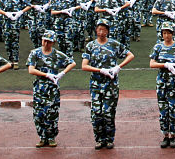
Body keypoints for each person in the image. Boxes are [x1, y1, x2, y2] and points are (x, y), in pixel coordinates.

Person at [80, 18, 134, 150]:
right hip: (96, 83)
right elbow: (84, 66)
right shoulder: (91, 46)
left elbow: (130, 55)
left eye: (104, 29)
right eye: (99, 29)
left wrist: (118, 67)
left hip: (111, 83)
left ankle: (109, 139)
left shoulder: (114, 44)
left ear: (108, 31)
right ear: (96, 30)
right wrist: (99, 70)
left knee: (109, 113)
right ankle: (99, 139)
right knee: (96, 113)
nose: (101, 31)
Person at [26, 30, 76, 148]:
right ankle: (43, 137)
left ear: (53, 42)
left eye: (49, 41)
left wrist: (62, 73)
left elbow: (72, 63)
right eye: (45, 41)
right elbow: (31, 70)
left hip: (52, 88)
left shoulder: (57, 54)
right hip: (39, 87)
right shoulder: (35, 53)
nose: (46, 43)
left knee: (52, 113)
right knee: (38, 114)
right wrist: (46, 75)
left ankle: (51, 137)